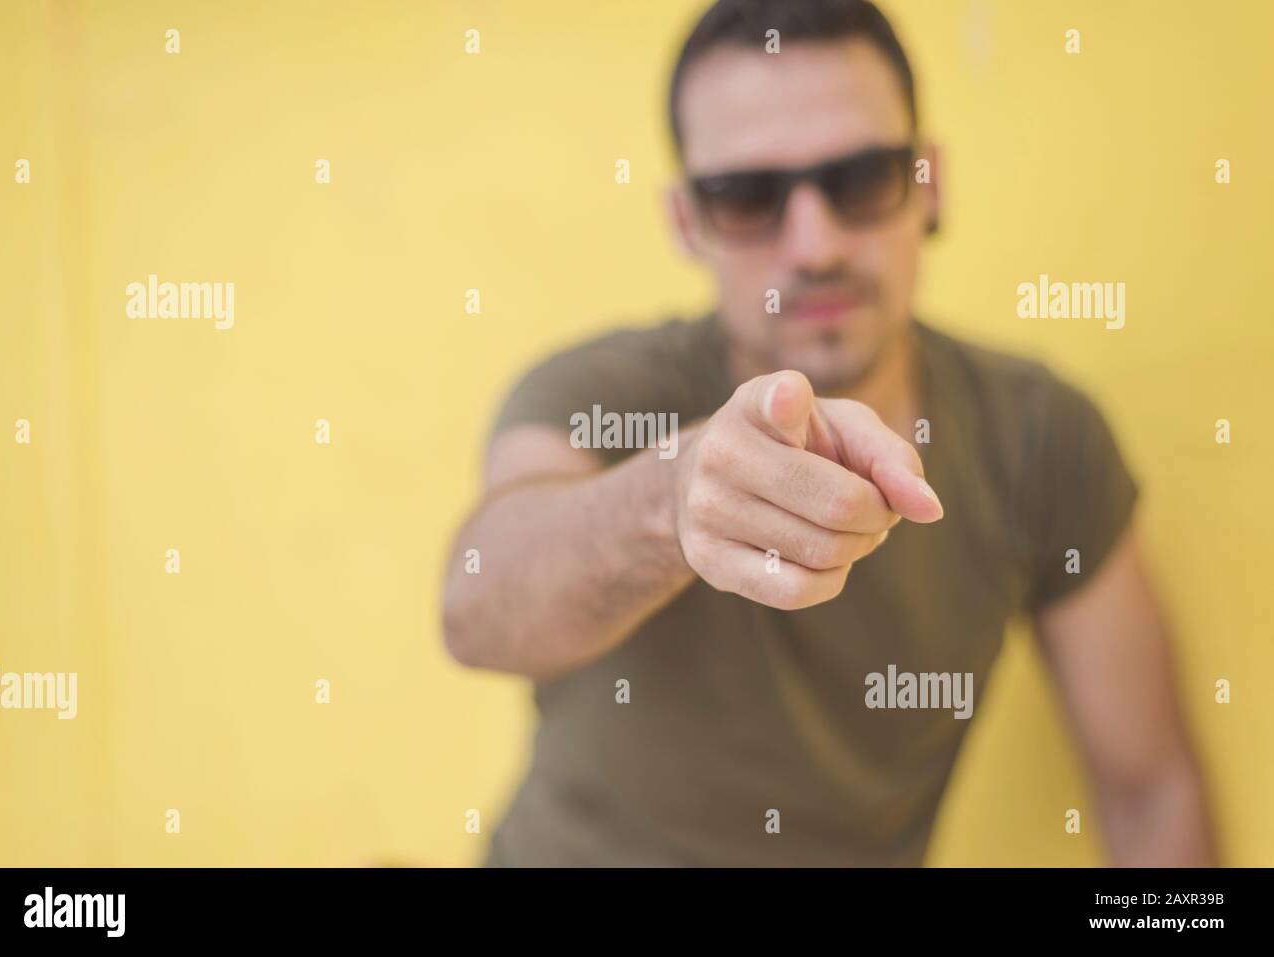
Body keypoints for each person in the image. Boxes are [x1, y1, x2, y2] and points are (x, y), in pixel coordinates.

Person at [442, 0, 1217, 866]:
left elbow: (1150, 792)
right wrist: (672, 497)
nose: (814, 245)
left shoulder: (1038, 437)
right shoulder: (600, 392)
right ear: (686, 222)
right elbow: (476, 609)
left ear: (929, 185)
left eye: (859, 179)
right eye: (747, 196)